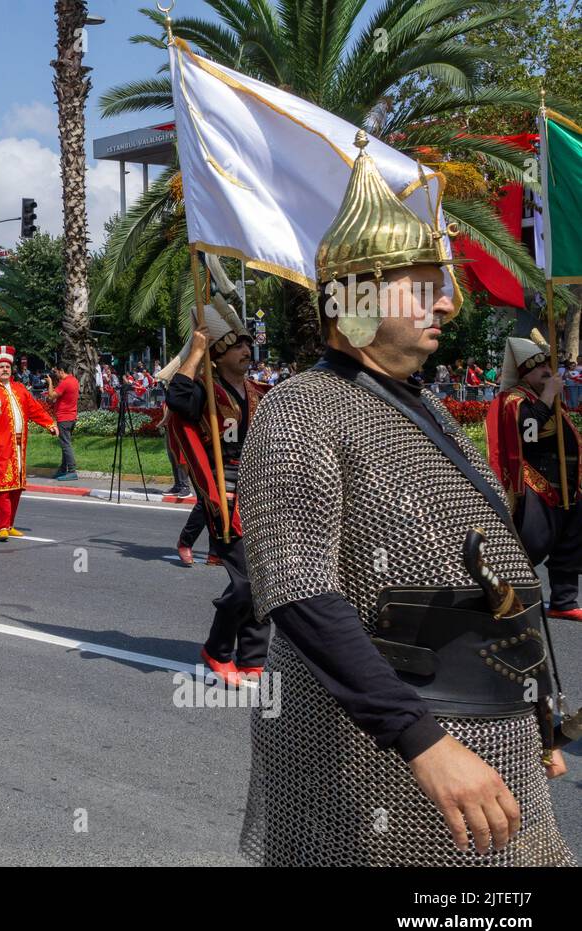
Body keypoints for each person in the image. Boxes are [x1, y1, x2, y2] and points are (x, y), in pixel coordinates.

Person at [239, 132, 572, 866]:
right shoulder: (301, 408)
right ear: (352, 296)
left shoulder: (418, 407)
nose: (449, 304)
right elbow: (300, 596)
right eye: (423, 286)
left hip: (487, 733)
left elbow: (488, 576)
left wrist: (537, 708)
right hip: (380, 755)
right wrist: (421, 741)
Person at [165, 294, 271, 686]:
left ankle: (253, 657)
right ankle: (217, 649)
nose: (247, 351)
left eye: (248, 344)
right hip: (225, 500)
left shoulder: (258, 392)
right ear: (219, 353)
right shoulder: (205, 393)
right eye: (238, 345)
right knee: (245, 583)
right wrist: (195, 352)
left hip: (262, 497)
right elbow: (176, 399)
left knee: (266, 579)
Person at [486, 332, 582, 622]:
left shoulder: (546, 400)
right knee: (532, 544)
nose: (549, 372)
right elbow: (527, 436)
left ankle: (564, 601)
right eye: (542, 368)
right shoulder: (516, 400)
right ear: (527, 373)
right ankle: (504, 595)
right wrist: (549, 395)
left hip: (567, 485)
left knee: (571, 544)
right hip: (535, 484)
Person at [0, 346, 57, 540]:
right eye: (0, 367)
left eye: (7, 366)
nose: (5, 369)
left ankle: (10, 524)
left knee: (16, 485)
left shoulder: (20, 389)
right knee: (2, 486)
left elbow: (34, 409)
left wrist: (49, 424)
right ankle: (1, 526)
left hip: (19, 445)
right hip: (0, 445)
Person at [47, 361, 80, 481]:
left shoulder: (65, 383)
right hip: (71, 417)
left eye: (56, 371)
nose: (55, 374)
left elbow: (51, 396)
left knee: (66, 445)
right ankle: (63, 469)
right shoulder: (74, 380)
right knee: (65, 444)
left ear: (61, 371)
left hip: (64, 418)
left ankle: (72, 470)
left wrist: (50, 383)